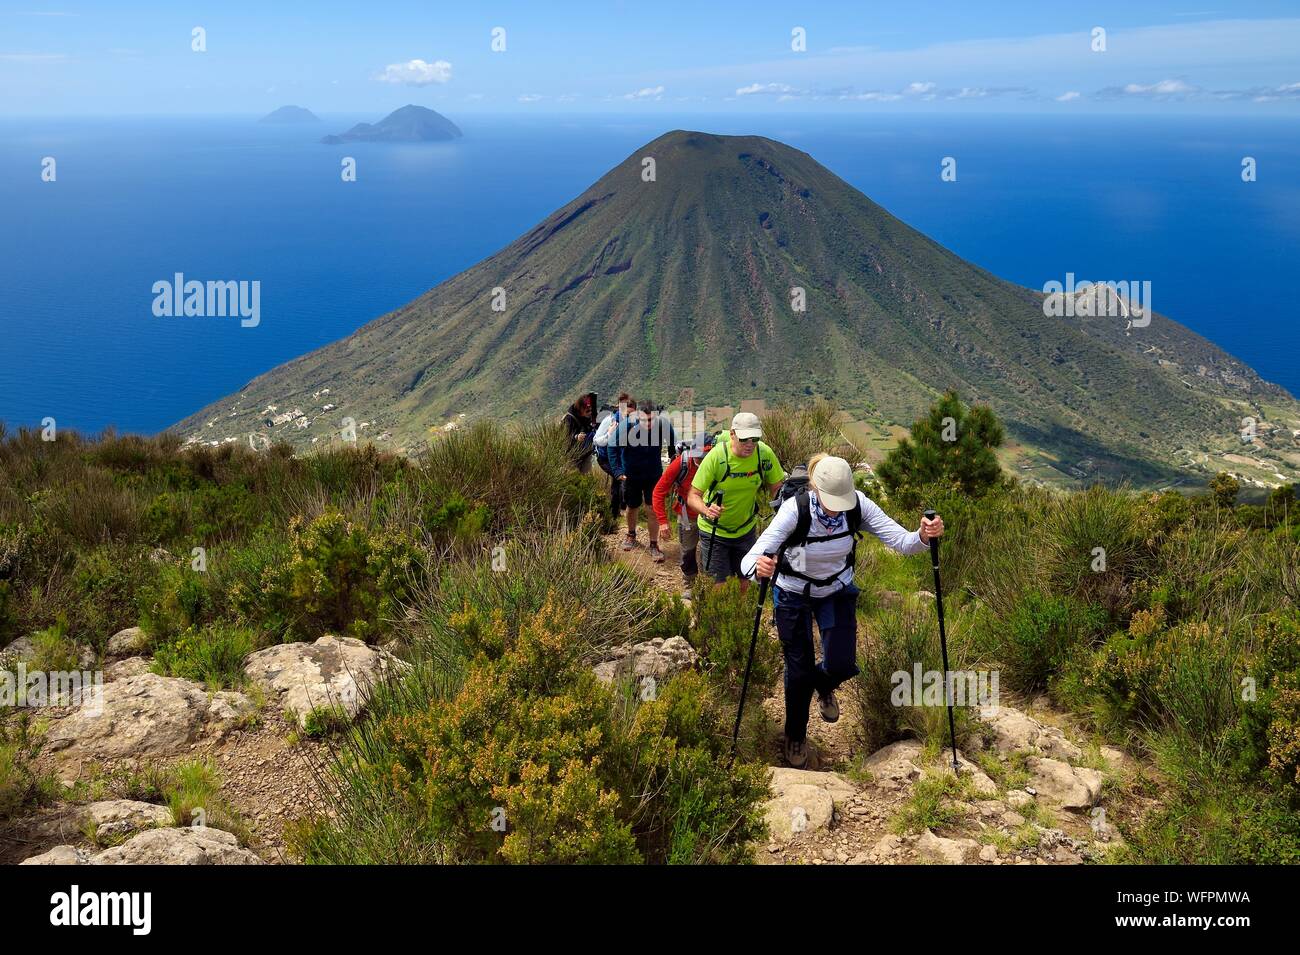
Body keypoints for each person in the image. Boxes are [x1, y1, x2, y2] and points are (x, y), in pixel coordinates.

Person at [741, 454, 945, 769]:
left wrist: (923, 536)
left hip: (836, 590)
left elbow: (902, 543)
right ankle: (795, 735)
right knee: (798, 671)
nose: (837, 508)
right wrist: (759, 568)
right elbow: (749, 561)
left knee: (842, 664)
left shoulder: (858, 505)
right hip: (793, 592)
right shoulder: (794, 511)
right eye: (831, 501)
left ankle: (823, 684)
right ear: (815, 489)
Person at [687, 412, 785, 584]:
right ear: (732, 434)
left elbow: (778, 488)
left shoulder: (764, 454)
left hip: (746, 530)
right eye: (744, 439)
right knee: (718, 587)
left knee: (745, 582)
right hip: (714, 531)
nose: (750, 445)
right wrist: (706, 510)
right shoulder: (717, 457)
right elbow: (693, 496)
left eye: (755, 439)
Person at [610, 398, 676, 557]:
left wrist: (674, 467)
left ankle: (653, 544)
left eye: (651, 420)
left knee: (652, 508)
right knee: (632, 506)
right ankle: (631, 535)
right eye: (644, 420)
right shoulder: (627, 425)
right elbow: (612, 447)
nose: (647, 423)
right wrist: (618, 471)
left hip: (653, 473)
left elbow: (672, 446)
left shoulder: (663, 425)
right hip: (630, 474)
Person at [652, 432, 715, 591]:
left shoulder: (718, 463)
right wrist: (663, 522)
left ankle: (708, 586)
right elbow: (658, 491)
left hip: (711, 515)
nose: (700, 460)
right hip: (688, 515)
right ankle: (690, 585)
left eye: (704, 457)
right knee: (688, 551)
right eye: (698, 456)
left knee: (711, 552)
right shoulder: (682, 463)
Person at [594, 393, 633, 517]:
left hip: (618, 459)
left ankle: (613, 514)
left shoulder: (630, 422)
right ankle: (622, 509)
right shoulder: (610, 420)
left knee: (617, 482)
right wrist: (609, 434)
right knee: (621, 479)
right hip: (604, 458)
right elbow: (596, 441)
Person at [562, 392, 597, 474]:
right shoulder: (569, 419)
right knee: (573, 476)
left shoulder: (587, 416)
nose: (590, 413)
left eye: (591, 410)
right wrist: (576, 437)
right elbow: (565, 437)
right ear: (580, 408)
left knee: (585, 476)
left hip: (586, 453)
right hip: (572, 455)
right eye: (587, 411)